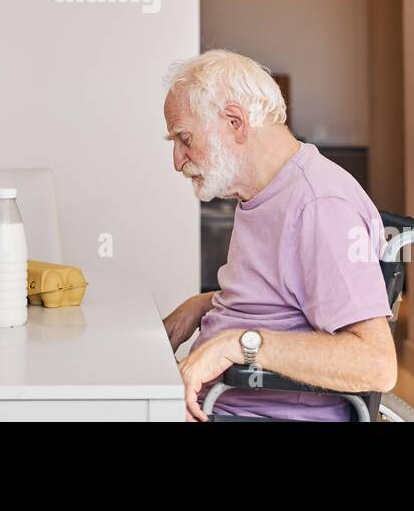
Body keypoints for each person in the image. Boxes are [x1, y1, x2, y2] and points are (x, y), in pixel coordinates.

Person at [161, 49, 396, 421]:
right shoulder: (262, 191)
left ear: (235, 122)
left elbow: (376, 363)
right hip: (214, 404)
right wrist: (203, 304)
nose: (178, 160)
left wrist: (238, 344)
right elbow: (283, 301)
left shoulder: (319, 204)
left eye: (184, 139)